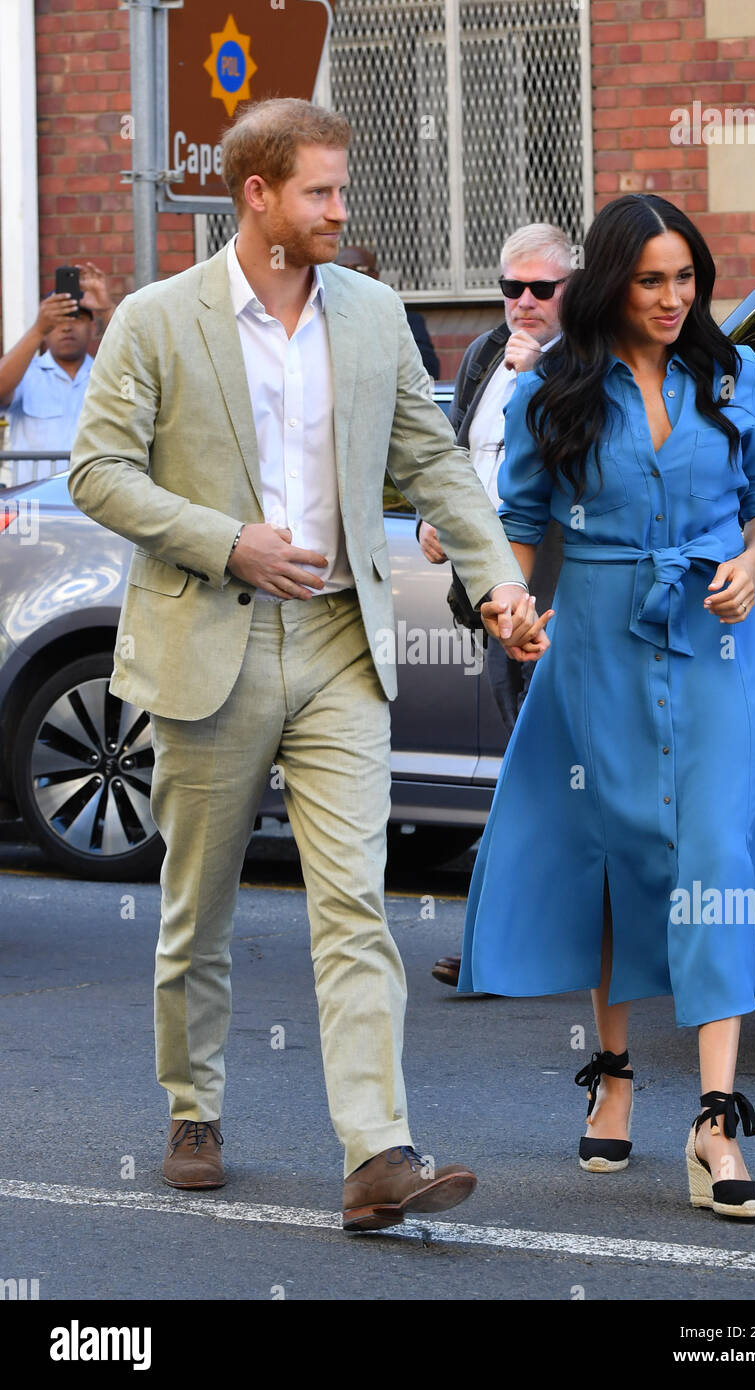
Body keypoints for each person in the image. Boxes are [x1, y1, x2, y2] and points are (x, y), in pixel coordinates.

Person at [69, 98, 550, 1233]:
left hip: (341, 642)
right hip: (212, 638)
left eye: (342, 187)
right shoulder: (157, 319)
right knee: (198, 905)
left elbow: (435, 463)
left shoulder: (374, 314)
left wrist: (497, 582)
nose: (341, 209)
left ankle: (377, 1150)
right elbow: (97, 471)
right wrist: (224, 539)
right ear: (258, 195)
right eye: (320, 191)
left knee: (354, 906)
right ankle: (194, 1107)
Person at [459, 193, 755, 1221]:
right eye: (651, 279)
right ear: (611, 282)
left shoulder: (735, 374)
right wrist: (510, 606)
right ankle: (612, 1072)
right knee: (615, 851)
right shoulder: (550, 390)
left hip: (721, 642)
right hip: (597, 639)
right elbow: (519, 524)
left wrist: (748, 565)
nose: (672, 297)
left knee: (719, 856)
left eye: (685, 277)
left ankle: (716, 1119)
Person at [423, 223, 571, 989]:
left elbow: (577, 463)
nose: (524, 302)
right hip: (495, 596)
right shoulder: (486, 352)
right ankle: (517, 944)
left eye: (541, 288)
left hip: (558, 597)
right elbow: (453, 453)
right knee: (527, 769)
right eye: (512, 287)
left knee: (548, 772)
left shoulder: (587, 362)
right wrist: (434, 514)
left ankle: (510, 946)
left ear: (572, 289)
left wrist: (539, 374)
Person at [0, 264, 115, 483]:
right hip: (37, 498)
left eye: (76, 317)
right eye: (58, 320)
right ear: (46, 330)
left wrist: (107, 309)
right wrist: (37, 329)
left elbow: (144, 364)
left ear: (93, 328)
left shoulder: (108, 374)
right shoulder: (26, 374)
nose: (66, 327)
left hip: (95, 499)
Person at [335, 244, 440, 378]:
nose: (349, 276)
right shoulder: (319, 318)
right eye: (341, 270)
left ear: (375, 275)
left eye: (359, 270)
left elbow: (428, 371)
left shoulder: (407, 321)